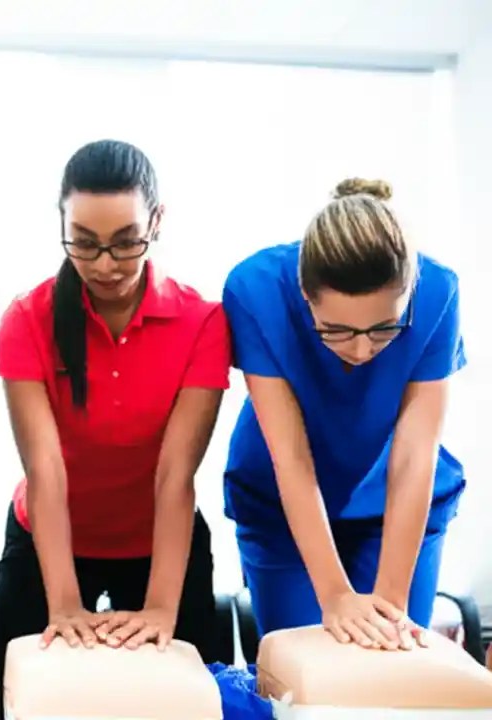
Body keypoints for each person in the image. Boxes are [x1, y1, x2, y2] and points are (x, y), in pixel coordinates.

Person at [0, 140, 229, 717]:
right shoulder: (28, 318)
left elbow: (176, 475)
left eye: (126, 242)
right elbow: (44, 468)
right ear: (62, 225)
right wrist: (64, 603)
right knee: (14, 701)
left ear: (158, 222)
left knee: (189, 699)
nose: (104, 265)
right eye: (84, 243)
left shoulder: (202, 322)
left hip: (160, 546)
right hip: (49, 538)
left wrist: (162, 609)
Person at [223, 178, 464, 651]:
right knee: (305, 669)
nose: (360, 349)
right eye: (336, 330)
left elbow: (415, 455)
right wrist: (334, 595)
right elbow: (290, 456)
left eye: (384, 328)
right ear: (304, 293)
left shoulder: (440, 291)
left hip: (393, 501)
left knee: (390, 663)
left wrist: (390, 603)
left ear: (410, 292)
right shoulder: (255, 289)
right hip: (282, 500)